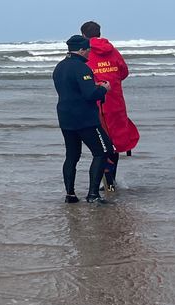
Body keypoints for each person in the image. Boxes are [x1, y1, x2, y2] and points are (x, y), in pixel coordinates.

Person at [53, 34, 112, 203]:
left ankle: (70, 195)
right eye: (88, 50)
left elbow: (73, 89)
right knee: (104, 150)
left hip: (65, 117)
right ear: (81, 50)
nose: (89, 54)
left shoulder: (59, 67)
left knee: (72, 155)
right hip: (84, 118)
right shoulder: (81, 68)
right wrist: (104, 89)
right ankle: (93, 194)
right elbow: (90, 94)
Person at [81, 20, 140, 190]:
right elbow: (124, 71)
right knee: (115, 142)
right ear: (99, 33)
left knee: (102, 144)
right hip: (116, 103)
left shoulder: (85, 53)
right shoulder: (113, 51)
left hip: (96, 105)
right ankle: (111, 181)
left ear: (84, 35)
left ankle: (107, 182)